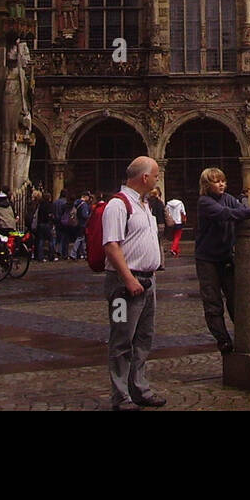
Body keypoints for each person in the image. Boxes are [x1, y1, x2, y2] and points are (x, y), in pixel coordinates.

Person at [101, 156, 166, 410]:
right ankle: (120, 396)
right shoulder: (118, 205)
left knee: (143, 339)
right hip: (123, 284)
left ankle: (139, 388)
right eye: (156, 174)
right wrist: (128, 279)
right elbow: (111, 245)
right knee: (121, 340)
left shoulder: (144, 204)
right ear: (145, 177)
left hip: (148, 282)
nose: (158, 178)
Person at [193, 167, 250, 353]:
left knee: (236, 298)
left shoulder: (228, 198)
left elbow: (241, 209)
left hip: (226, 256)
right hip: (207, 259)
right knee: (213, 303)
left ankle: (246, 334)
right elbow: (225, 214)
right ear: (207, 185)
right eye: (216, 181)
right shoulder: (204, 202)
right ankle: (223, 340)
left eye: (223, 180)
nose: (221, 184)